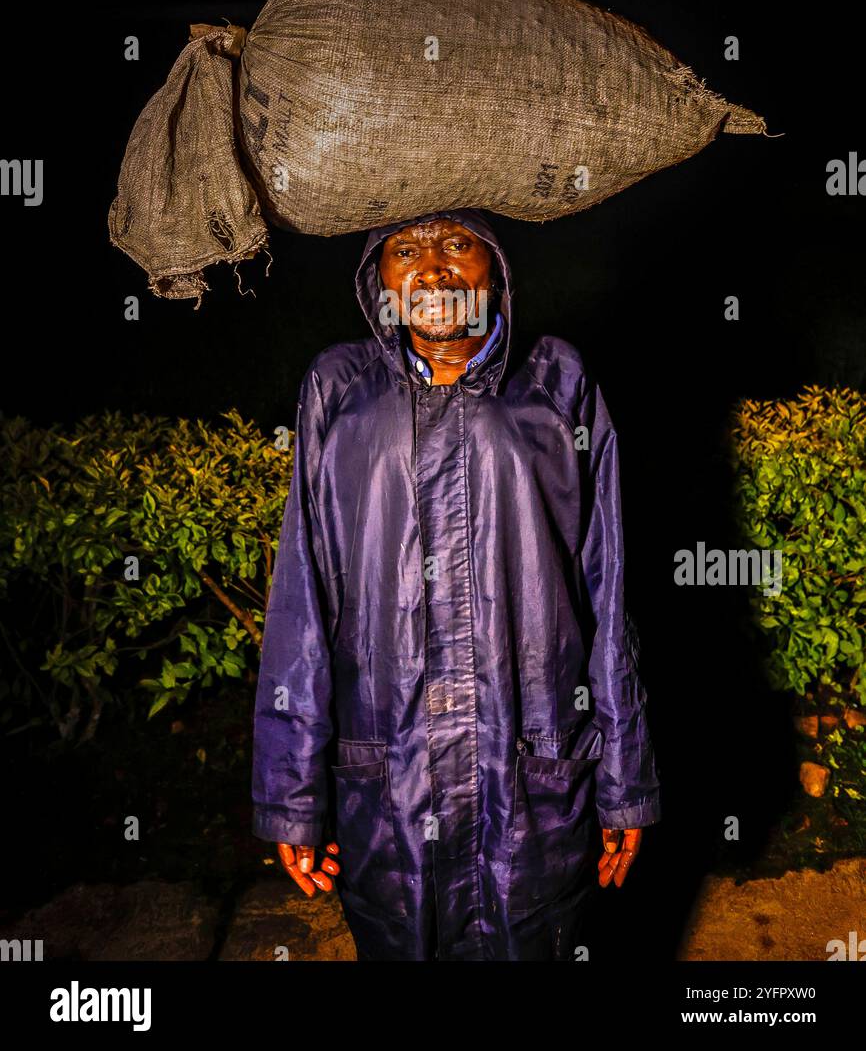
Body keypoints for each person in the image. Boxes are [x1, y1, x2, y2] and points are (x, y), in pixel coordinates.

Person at [251, 208, 661, 960]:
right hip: (389, 781)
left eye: (456, 244)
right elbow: (302, 601)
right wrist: (291, 793)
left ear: (495, 267)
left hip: (531, 776)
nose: (431, 268)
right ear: (377, 279)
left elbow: (607, 589)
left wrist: (624, 777)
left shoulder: (558, 380)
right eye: (403, 249)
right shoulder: (338, 389)